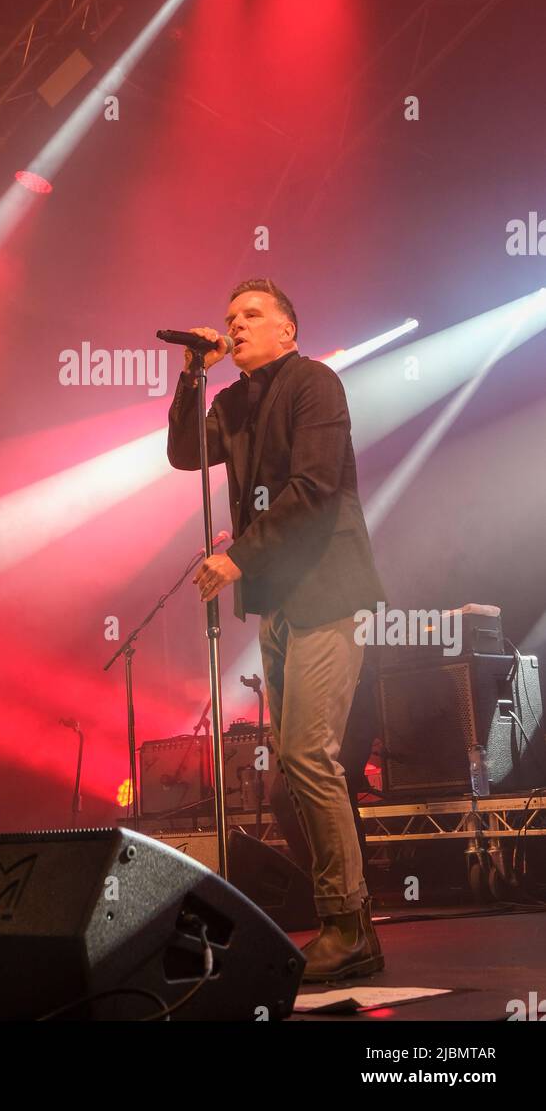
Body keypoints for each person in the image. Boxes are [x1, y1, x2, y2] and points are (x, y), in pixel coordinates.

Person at [167, 279, 386, 981]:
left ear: (288, 331)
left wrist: (236, 555)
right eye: (229, 317)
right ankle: (350, 925)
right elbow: (182, 455)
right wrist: (191, 375)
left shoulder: (315, 385)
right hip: (279, 598)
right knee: (293, 764)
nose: (235, 325)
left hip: (327, 587)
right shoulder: (232, 402)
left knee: (309, 756)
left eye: (251, 315)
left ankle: (347, 924)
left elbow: (314, 488)